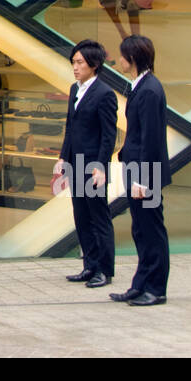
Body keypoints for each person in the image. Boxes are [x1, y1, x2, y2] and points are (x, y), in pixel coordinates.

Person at [110, 35, 171, 306]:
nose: (119, 60)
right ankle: (140, 283)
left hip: (145, 173)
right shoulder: (140, 86)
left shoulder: (148, 89)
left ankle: (156, 289)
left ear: (133, 58)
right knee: (140, 230)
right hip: (136, 168)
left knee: (151, 230)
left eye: (123, 55)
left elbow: (151, 138)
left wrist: (144, 180)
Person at [57, 40, 117, 288]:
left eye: (80, 62)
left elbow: (109, 135)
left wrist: (101, 165)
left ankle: (105, 270)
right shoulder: (75, 89)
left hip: (93, 166)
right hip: (75, 162)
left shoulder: (105, 94)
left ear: (94, 64)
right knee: (81, 216)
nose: (75, 66)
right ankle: (89, 265)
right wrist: (63, 156)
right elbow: (70, 127)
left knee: (98, 217)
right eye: (73, 62)